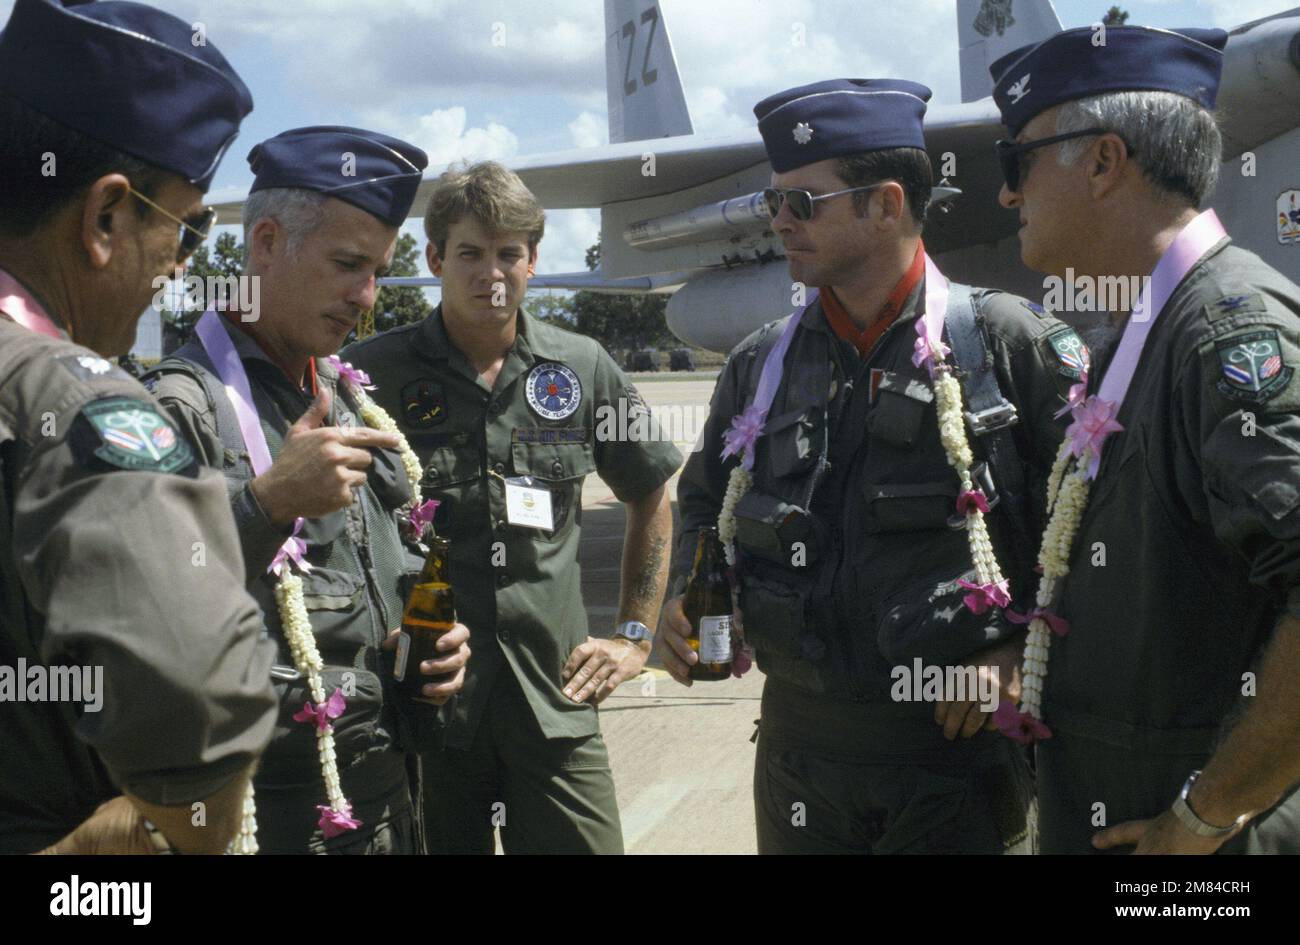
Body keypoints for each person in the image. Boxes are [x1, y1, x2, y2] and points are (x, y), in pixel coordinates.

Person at [656, 78, 1090, 854]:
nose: (780, 223)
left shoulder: (1004, 341)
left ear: (886, 205)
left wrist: (1023, 650)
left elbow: (1100, 524)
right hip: (800, 760)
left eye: (804, 204)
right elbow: (703, 498)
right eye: (773, 202)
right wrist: (680, 600)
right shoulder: (760, 363)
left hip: (955, 754)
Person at [990, 24, 1300, 853]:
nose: (1007, 196)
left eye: (1017, 163)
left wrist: (1206, 812)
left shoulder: (1223, 333)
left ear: (1103, 162)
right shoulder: (1145, 326)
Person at [145, 126, 470, 854]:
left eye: (379, 270)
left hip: (383, 803)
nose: (367, 295)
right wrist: (266, 503)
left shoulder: (347, 397)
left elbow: (392, 564)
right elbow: (141, 611)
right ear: (264, 241)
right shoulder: (177, 409)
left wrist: (434, 642)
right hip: (264, 820)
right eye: (348, 264)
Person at [0, 0, 276, 855]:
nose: (182, 269)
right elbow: (199, 723)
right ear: (108, 218)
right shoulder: (82, 406)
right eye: (187, 230)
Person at [342, 161, 681, 854]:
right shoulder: (370, 375)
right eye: (469, 253)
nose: (490, 273)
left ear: (532, 261)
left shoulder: (582, 368)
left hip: (554, 703)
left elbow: (651, 491)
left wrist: (633, 636)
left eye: (509, 254)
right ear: (436, 257)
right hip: (429, 710)